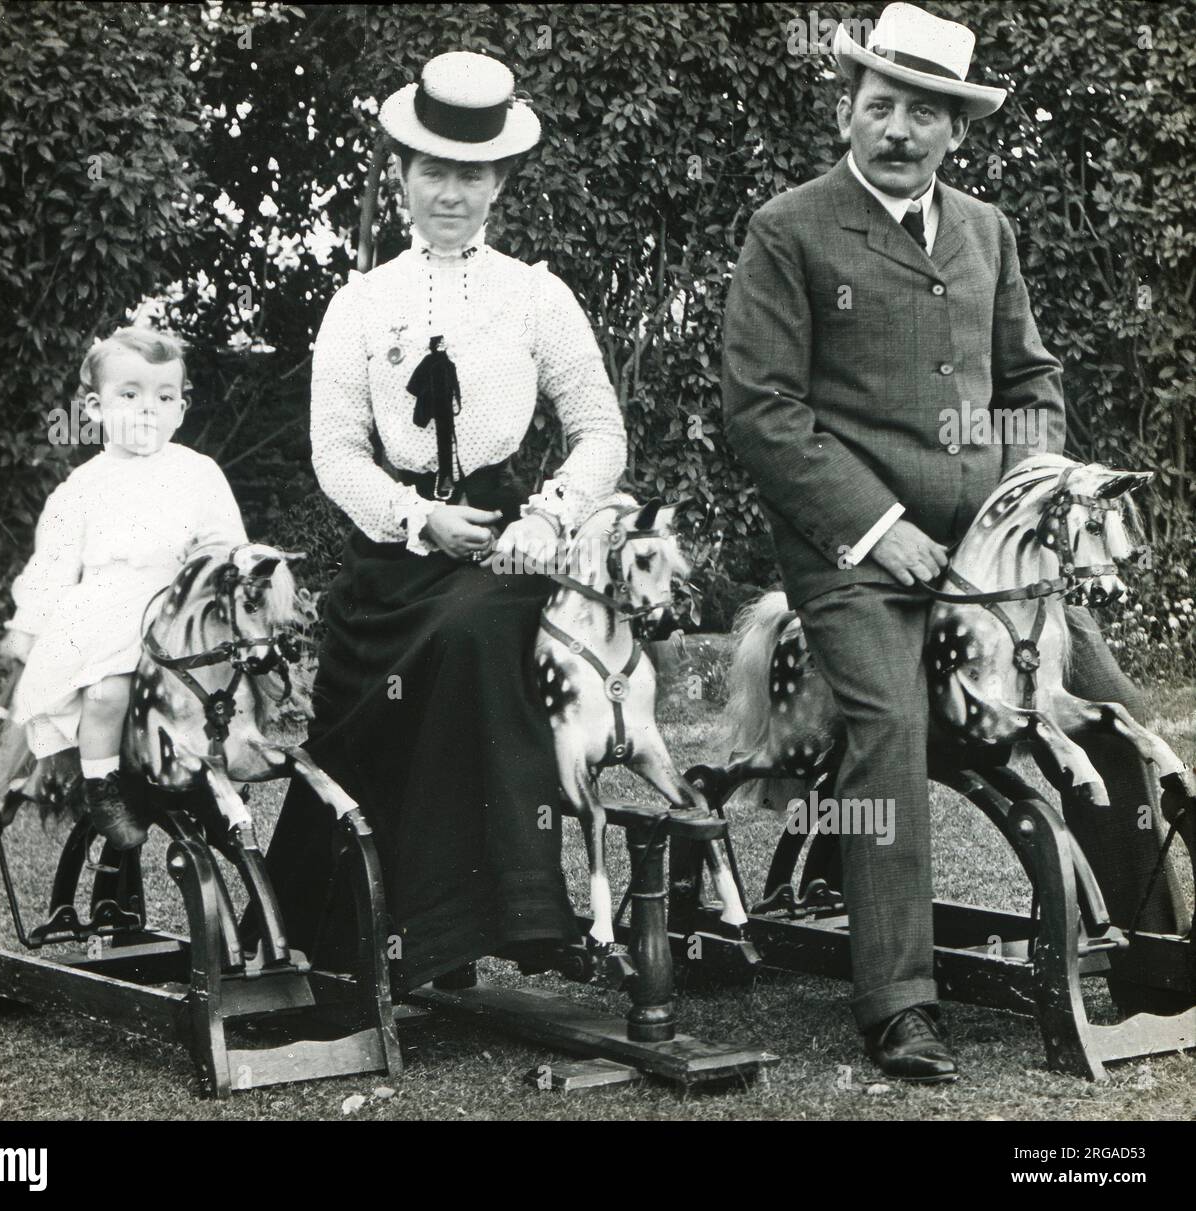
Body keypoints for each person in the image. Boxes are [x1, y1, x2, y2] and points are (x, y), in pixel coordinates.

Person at [723, 3, 1182, 1082]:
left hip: (989, 563)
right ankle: (898, 1000)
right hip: (851, 558)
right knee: (886, 721)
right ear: (848, 109)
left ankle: (1162, 950)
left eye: (922, 114)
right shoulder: (788, 228)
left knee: (1109, 704)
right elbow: (763, 411)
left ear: (953, 131)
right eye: (878, 105)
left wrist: (1025, 496)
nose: (897, 130)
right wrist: (877, 532)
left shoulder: (987, 230)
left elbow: (1030, 384)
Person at [258, 51, 627, 991]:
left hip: (509, 546)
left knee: (468, 631)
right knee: (369, 665)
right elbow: (336, 452)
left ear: (498, 178)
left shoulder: (537, 295)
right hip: (392, 553)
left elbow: (599, 433)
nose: (451, 192)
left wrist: (546, 516)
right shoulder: (360, 303)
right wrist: (418, 518)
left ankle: (502, 919)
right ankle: (360, 931)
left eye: (471, 173)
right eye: (433, 171)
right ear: (402, 172)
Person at [0, 327, 247, 848]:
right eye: (129, 395)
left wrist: (232, 566)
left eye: (164, 397)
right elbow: (53, 565)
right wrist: (28, 628)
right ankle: (101, 783)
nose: (147, 410)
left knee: (213, 687)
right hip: (106, 611)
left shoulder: (198, 473)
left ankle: (200, 777)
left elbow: (225, 542)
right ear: (94, 407)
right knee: (108, 689)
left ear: (181, 410)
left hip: (175, 608)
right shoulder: (83, 487)